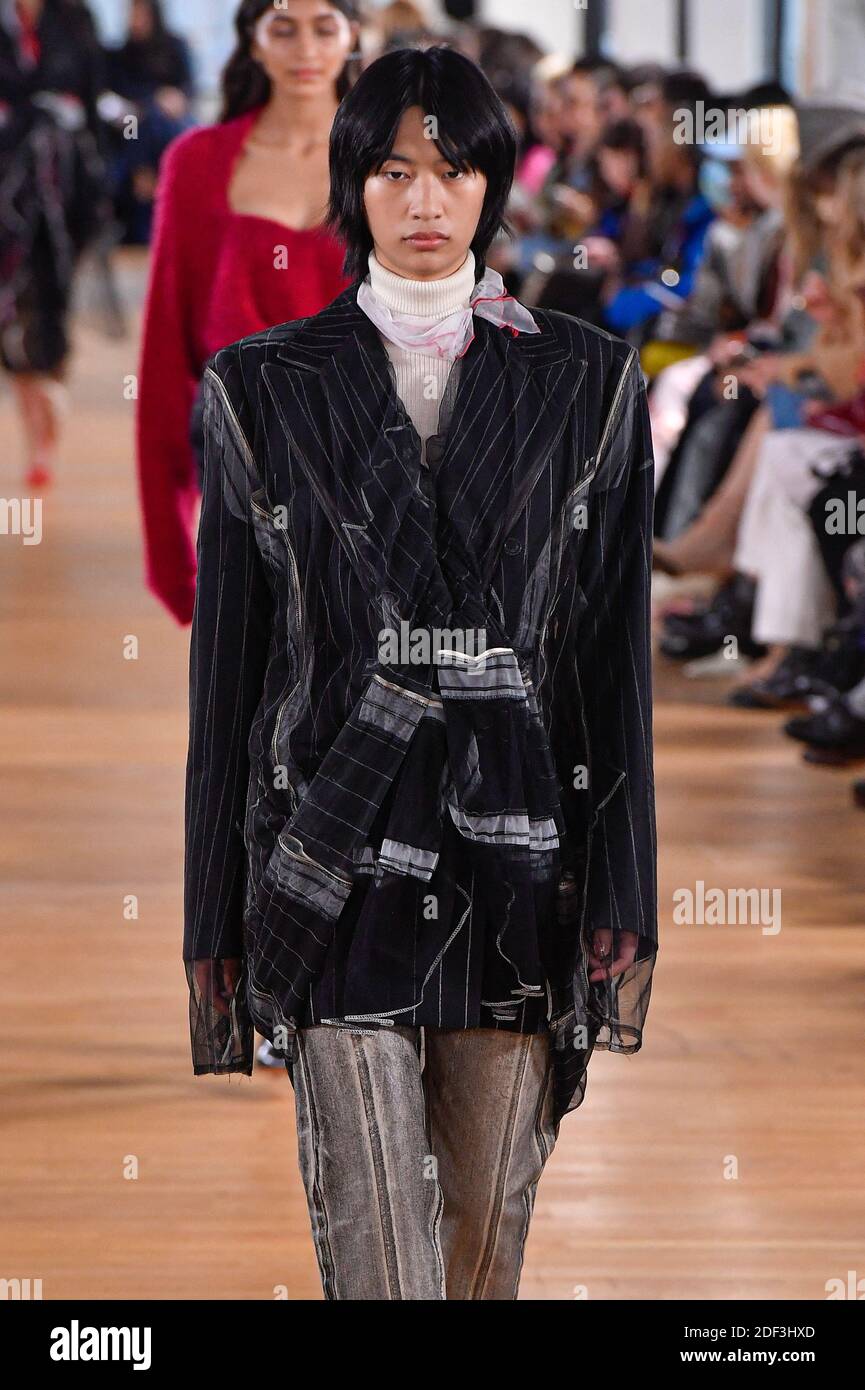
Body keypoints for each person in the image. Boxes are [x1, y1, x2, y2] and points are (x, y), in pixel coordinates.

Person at [183, 44, 658, 1301]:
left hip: (520, 870)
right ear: (356, 188)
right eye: (395, 170)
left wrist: (627, 881)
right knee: (381, 1253)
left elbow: (610, 668)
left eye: (453, 169)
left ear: (496, 184)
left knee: (482, 1248)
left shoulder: (591, 388)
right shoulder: (258, 390)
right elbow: (226, 686)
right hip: (330, 853)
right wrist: (206, 917)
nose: (427, 201)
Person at [135, 0, 360, 627]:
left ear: (352, 36)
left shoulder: (391, 158)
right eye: (283, 30)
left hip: (373, 444)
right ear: (255, 44)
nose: (305, 49)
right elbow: (163, 347)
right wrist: (169, 554)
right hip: (241, 442)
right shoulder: (198, 162)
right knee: (258, 664)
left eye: (324, 28)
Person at [0, 0, 109, 486]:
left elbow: (93, 98)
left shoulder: (74, 19)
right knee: (8, 316)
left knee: (50, 309)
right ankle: (34, 439)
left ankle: (47, 416)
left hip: (62, 197)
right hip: (6, 191)